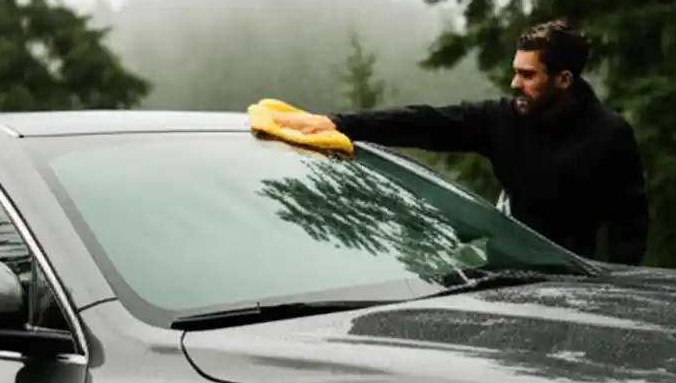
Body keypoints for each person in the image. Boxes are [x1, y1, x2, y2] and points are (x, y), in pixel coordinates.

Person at [272, 20, 649, 265]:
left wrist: (615, 290)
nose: (514, 83)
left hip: (575, 279)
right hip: (505, 270)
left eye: (527, 74)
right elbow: (425, 122)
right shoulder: (501, 119)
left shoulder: (609, 135)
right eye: (514, 71)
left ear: (564, 79)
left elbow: (629, 226)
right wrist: (336, 123)